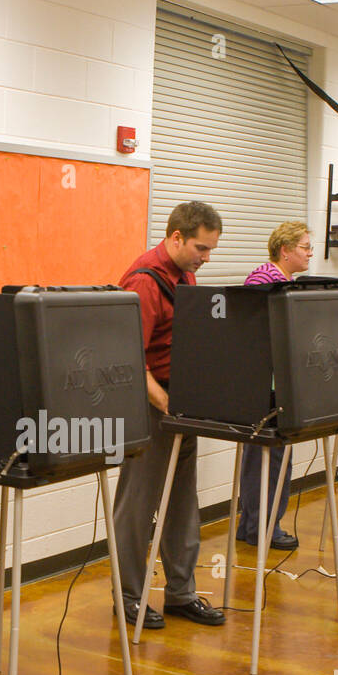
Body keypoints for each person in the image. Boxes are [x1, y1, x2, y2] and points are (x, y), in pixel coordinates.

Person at [113, 201, 226, 630]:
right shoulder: (143, 282)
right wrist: (163, 401)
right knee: (137, 506)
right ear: (175, 237)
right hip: (151, 407)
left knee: (183, 503)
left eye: (211, 249)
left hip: (181, 404)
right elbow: (128, 357)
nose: (206, 257)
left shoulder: (185, 274)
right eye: (201, 247)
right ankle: (128, 595)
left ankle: (180, 593)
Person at [236, 222, 313, 550]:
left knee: (266, 458)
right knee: (270, 459)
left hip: (269, 384)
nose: (310, 252)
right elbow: (256, 333)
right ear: (285, 250)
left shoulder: (281, 280)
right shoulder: (264, 281)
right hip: (264, 387)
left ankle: (251, 526)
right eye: (304, 247)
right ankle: (262, 529)